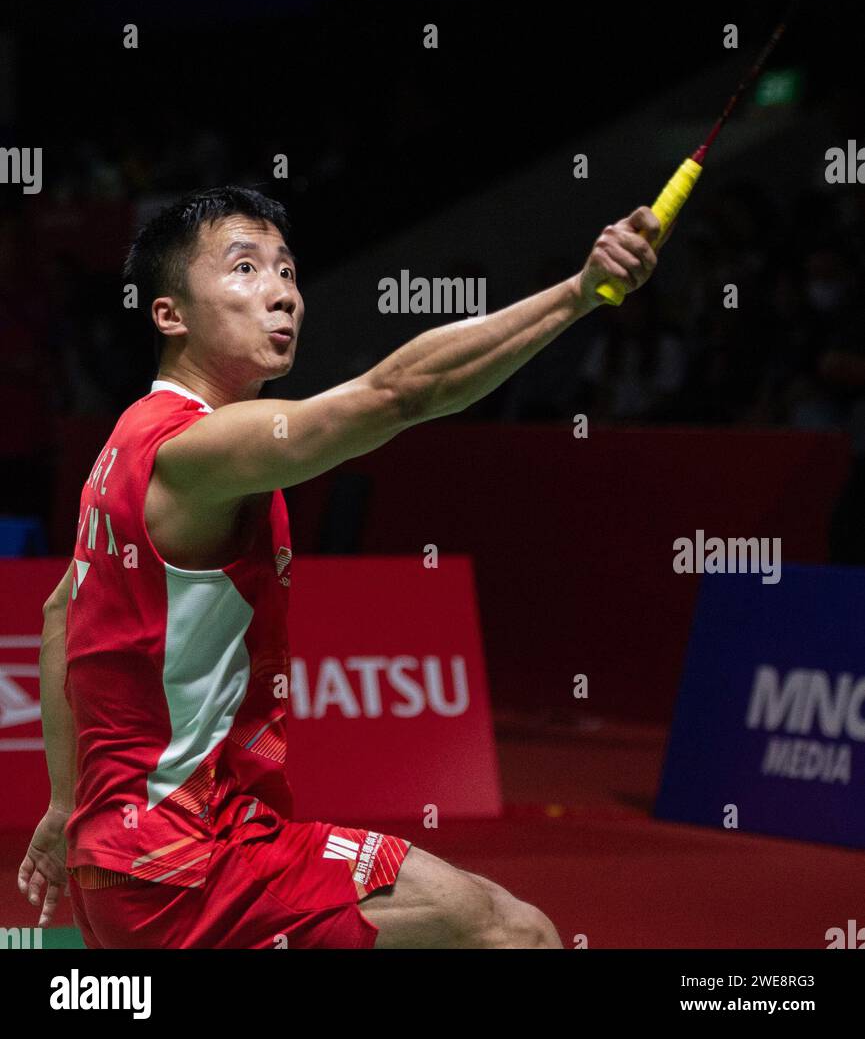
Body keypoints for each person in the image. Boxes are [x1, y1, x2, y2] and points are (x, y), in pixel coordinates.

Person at [19, 185, 660, 949]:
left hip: (139, 862)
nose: (281, 293)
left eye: (286, 271)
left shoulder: (124, 442)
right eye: (245, 268)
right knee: (510, 934)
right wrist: (578, 295)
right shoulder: (193, 453)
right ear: (170, 314)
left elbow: (62, 613)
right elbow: (395, 395)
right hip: (190, 869)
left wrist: (66, 809)